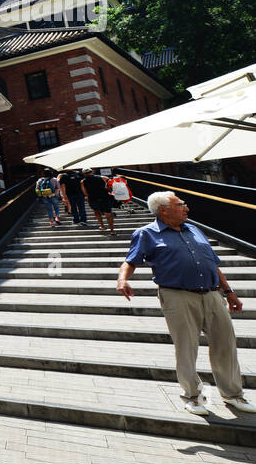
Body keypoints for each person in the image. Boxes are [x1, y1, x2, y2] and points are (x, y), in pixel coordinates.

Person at [117, 191, 256, 415]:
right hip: (177, 296)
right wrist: (122, 279)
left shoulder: (194, 229)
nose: (186, 208)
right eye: (181, 204)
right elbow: (130, 260)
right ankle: (192, 396)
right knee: (186, 347)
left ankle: (233, 395)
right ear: (163, 209)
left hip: (212, 295)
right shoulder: (146, 234)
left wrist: (229, 292)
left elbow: (213, 264)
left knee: (226, 344)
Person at [83, 169, 116, 234]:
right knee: (108, 214)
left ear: (84, 174)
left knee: (96, 211)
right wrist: (109, 190)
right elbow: (111, 182)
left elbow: (85, 192)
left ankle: (102, 226)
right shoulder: (103, 178)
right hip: (104, 197)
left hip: (93, 198)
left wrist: (88, 196)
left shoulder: (83, 181)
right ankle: (112, 231)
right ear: (92, 172)